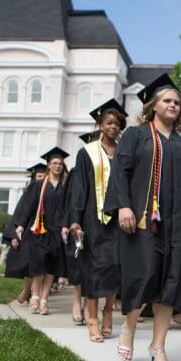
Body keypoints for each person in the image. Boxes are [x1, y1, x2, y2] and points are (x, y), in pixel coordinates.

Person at [104, 73, 181, 361]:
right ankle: (129, 328)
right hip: (146, 221)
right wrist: (123, 205)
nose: (174, 105)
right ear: (154, 106)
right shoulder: (136, 136)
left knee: (172, 285)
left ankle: (158, 346)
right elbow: (120, 172)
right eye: (168, 100)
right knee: (145, 276)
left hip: (179, 225)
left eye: (177, 102)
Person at [69, 100, 126, 342]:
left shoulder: (124, 151)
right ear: (100, 125)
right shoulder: (87, 153)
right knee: (93, 270)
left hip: (118, 220)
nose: (113, 127)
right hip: (93, 218)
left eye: (117, 124)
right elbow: (79, 187)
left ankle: (108, 313)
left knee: (115, 268)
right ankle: (92, 319)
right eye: (108, 123)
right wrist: (75, 220)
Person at [14, 147, 69, 315]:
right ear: (49, 165)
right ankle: (35, 296)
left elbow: (68, 209)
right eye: (54, 163)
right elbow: (29, 207)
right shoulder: (39, 185)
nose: (57, 166)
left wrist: (66, 226)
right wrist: (21, 225)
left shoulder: (65, 187)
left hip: (57, 231)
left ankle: (44, 300)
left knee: (51, 267)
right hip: (40, 230)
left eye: (60, 163)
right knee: (39, 265)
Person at [4, 163, 48, 307]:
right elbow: (18, 213)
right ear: (34, 178)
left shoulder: (50, 190)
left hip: (47, 230)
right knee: (30, 262)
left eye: (43, 176)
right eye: (38, 176)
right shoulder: (29, 192)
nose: (41, 179)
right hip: (29, 230)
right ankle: (29, 290)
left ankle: (36, 293)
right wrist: (14, 235)